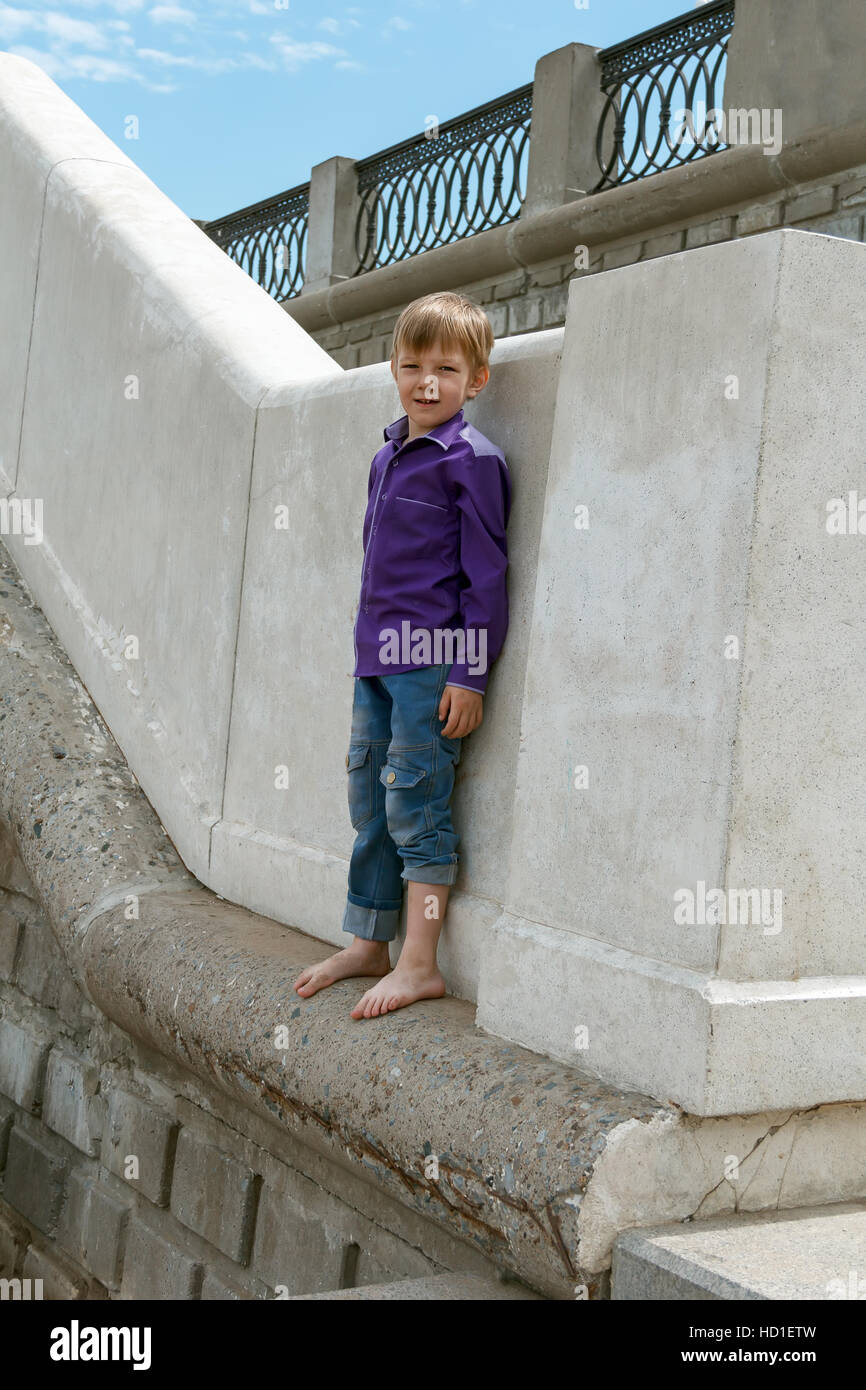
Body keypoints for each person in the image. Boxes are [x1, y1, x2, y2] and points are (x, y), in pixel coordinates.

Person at [293, 290, 511, 1018]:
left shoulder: (471, 462)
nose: (426, 382)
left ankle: (420, 962)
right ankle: (369, 943)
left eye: (445, 369)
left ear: (476, 380)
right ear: (393, 367)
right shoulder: (387, 456)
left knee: (418, 803)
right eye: (412, 364)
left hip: (430, 662)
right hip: (376, 662)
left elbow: (485, 578)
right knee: (371, 802)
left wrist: (469, 674)